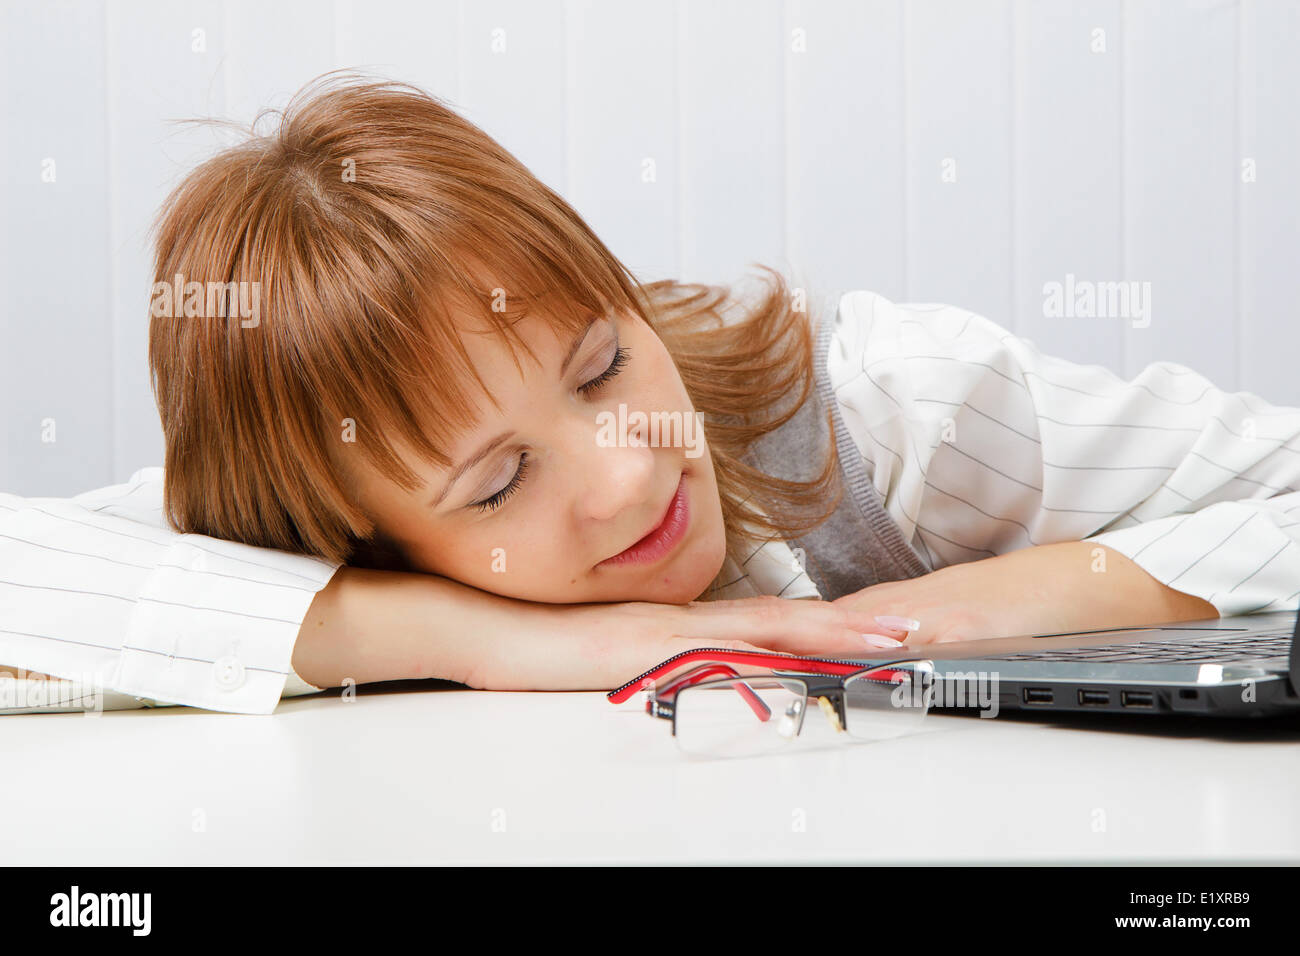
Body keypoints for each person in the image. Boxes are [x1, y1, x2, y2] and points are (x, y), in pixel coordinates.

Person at [6, 72, 1296, 716]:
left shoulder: (890, 411)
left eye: (604, 364)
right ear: (364, 539)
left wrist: (991, 602)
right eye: (500, 482)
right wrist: (494, 642)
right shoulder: (317, 545)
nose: (628, 470)